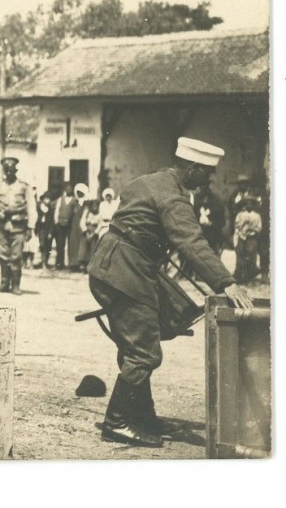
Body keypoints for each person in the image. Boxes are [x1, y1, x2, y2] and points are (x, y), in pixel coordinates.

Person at [87, 137, 254, 447]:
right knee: (143, 351)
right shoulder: (173, 198)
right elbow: (191, 242)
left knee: (138, 344)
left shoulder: (149, 181)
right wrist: (225, 282)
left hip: (112, 267)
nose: (209, 180)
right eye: (207, 173)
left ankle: (144, 416)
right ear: (192, 169)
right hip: (126, 272)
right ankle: (118, 422)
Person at [0, 155, 36, 295]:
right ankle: (4, 283)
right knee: (3, 255)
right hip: (2, 226)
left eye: (12, 170)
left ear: (16, 170)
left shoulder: (23, 187)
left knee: (16, 256)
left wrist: (30, 227)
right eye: (6, 170)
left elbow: (31, 207)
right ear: (4, 171)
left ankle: (15, 284)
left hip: (18, 226)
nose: (9, 172)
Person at [233, 198, 263, 284]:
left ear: (253, 206)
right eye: (247, 204)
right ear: (244, 205)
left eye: (250, 204)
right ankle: (239, 276)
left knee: (251, 257)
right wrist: (243, 224)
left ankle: (250, 276)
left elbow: (259, 227)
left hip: (251, 237)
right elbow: (237, 225)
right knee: (240, 256)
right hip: (242, 237)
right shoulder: (240, 215)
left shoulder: (257, 216)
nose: (248, 206)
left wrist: (251, 228)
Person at [193, 184, 225, 253]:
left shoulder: (216, 206)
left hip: (212, 237)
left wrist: (211, 224)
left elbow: (221, 222)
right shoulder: (196, 206)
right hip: (199, 236)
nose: (205, 200)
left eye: (207, 198)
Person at [52, 184, 76, 269]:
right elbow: (57, 210)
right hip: (60, 225)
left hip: (70, 225)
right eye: (67, 188)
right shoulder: (60, 199)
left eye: (70, 189)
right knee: (60, 245)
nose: (68, 190)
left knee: (70, 245)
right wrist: (56, 222)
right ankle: (59, 264)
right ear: (65, 189)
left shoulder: (74, 200)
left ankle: (70, 264)